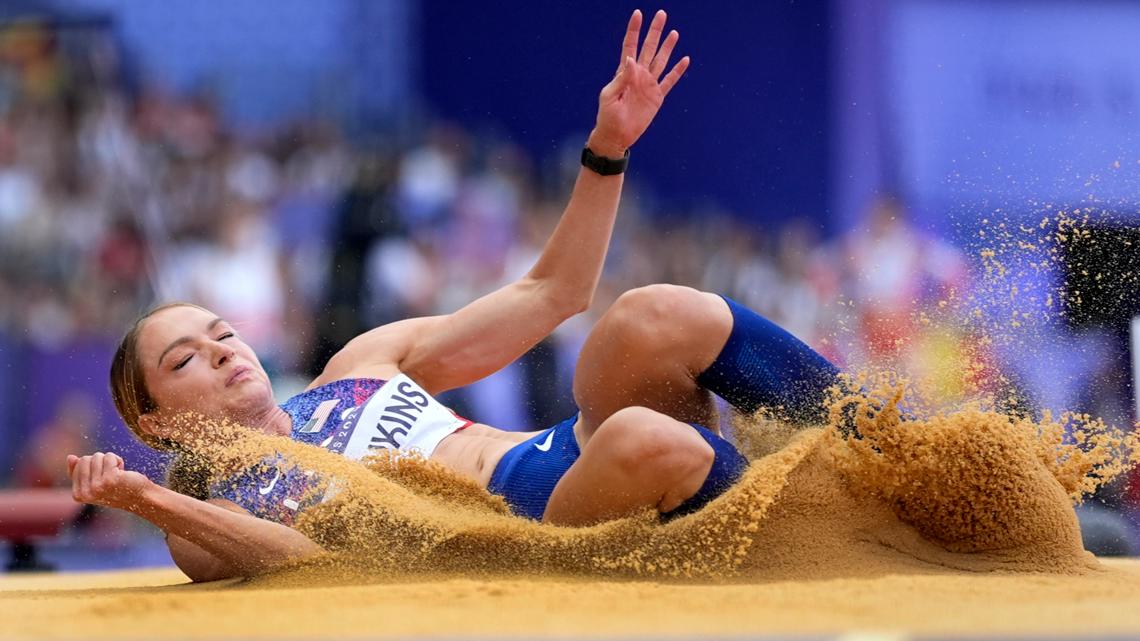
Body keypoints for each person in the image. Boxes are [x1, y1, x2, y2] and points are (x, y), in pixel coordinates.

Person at [67, 10, 840, 582]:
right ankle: (827, 541)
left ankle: (887, 452)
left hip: (562, 462)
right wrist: (147, 499)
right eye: (185, 358)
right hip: (519, 535)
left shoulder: (358, 362)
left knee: (653, 312)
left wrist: (607, 151)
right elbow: (303, 558)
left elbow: (553, 292)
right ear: (157, 420)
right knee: (644, 439)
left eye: (221, 330)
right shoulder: (220, 512)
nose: (223, 350)